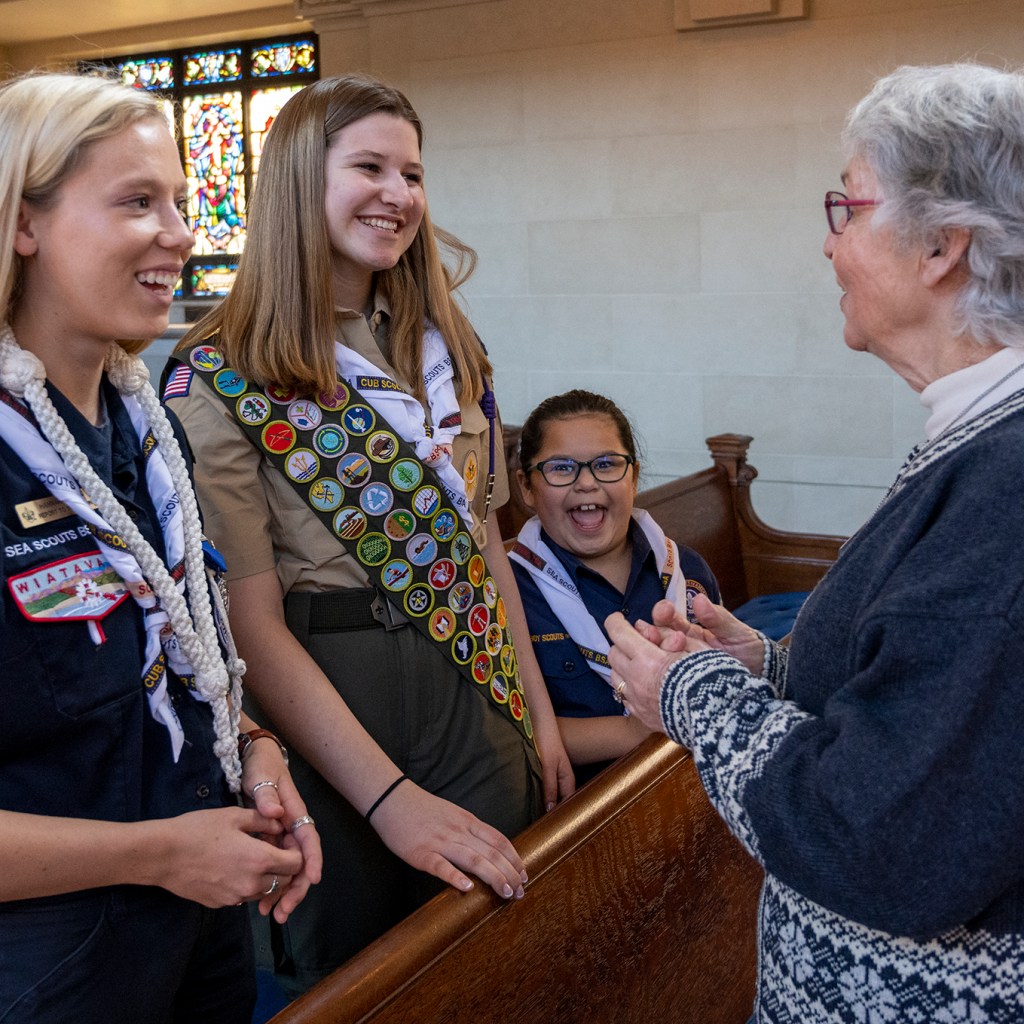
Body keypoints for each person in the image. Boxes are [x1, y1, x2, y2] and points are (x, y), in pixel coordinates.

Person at [606, 63, 1024, 1022]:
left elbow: (882, 837)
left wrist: (687, 692)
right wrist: (763, 663)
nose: (829, 246)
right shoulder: (978, 435)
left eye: (847, 207)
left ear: (942, 246)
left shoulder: (1007, 477)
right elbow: (941, 692)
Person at [164, 73, 573, 996]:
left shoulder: (448, 346)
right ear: (299, 182)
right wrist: (387, 800)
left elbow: (483, 547)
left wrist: (538, 716)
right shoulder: (219, 372)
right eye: (369, 167)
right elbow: (248, 625)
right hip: (331, 696)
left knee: (502, 951)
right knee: (362, 974)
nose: (398, 194)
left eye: (413, 173)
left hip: (474, 686)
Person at [0, 72, 321, 1024]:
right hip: (54, 965)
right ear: (24, 222)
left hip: (196, 929)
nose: (181, 233)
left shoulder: (149, 430)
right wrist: (158, 852)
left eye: (179, 200)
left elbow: (183, 662)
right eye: (139, 201)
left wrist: (259, 752)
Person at [508, 389, 719, 783]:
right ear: (526, 486)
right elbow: (514, 732)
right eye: (560, 468)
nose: (586, 483)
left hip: (694, 783)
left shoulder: (685, 568)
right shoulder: (510, 592)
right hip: (588, 810)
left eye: (606, 464)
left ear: (634, 477)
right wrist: (644, 729)